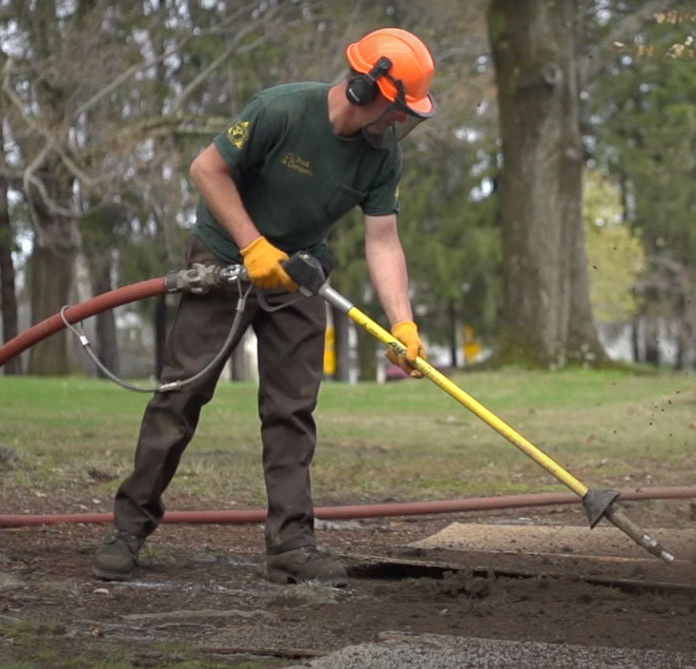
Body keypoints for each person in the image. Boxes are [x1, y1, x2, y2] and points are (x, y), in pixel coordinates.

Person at [91, 27, 437, 586]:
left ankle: (292, 546)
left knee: (291, 410)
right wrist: (252, 244)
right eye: (397, 109)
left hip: (300, 275)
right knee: (181, 396)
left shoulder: (382, 157)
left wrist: (403, 321)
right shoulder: (280, 110)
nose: (400, 122)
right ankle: (128, 530)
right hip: (226, 258)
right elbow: (206, 169)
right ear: (361, 89)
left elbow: (383, 240)